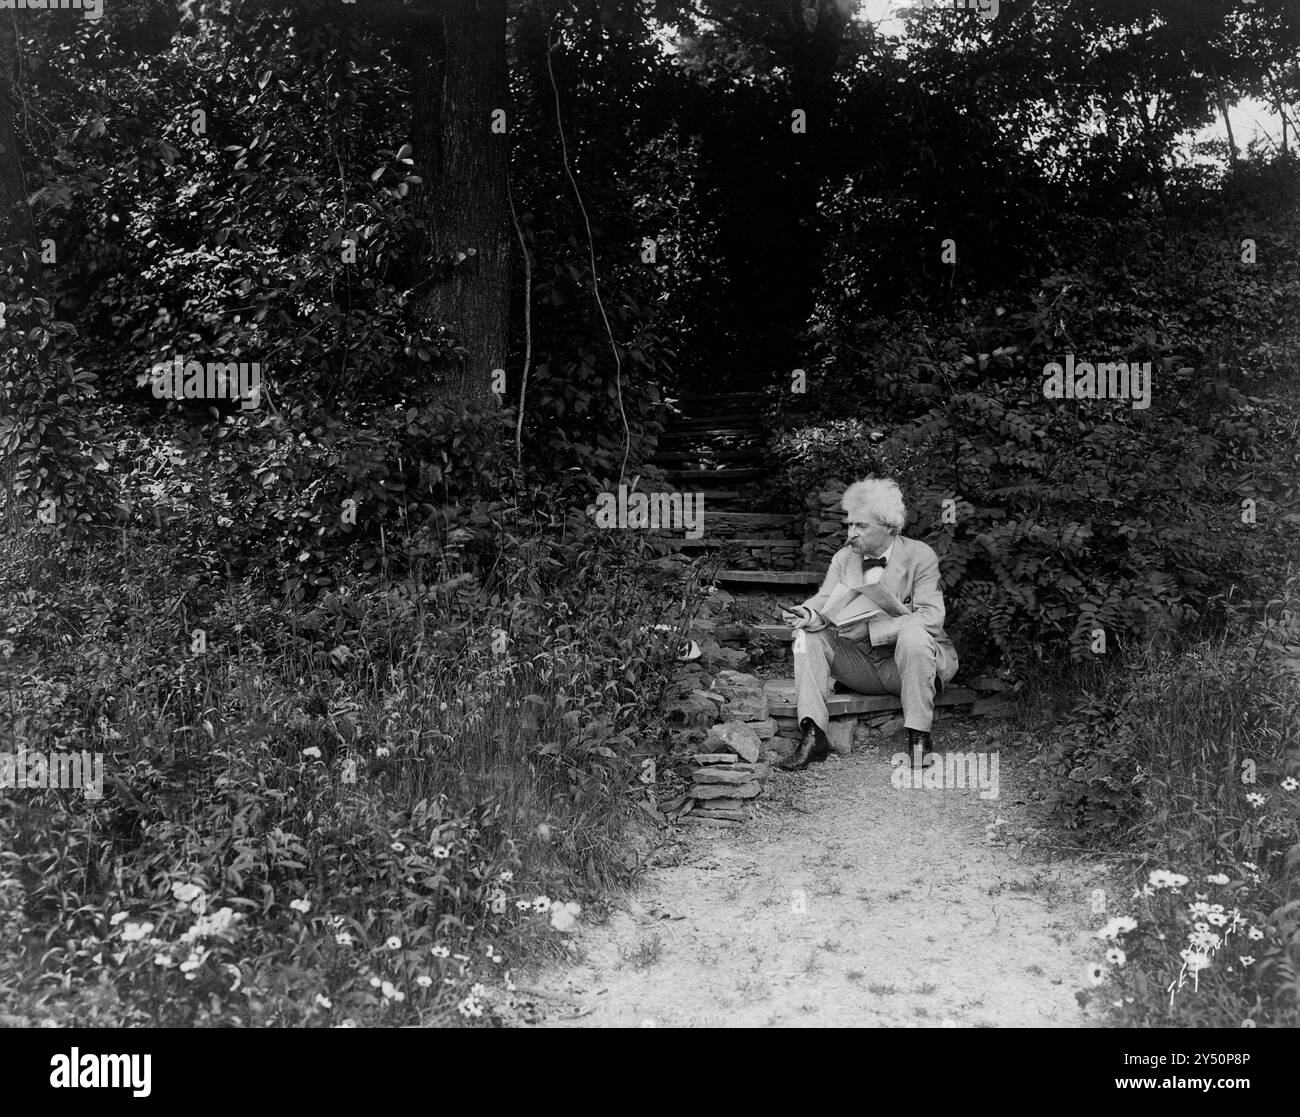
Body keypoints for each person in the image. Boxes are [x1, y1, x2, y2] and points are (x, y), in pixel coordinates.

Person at [779, 478, 959, 770]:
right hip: (862, 666)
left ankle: (918, 737)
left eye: (860, 526)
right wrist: (808, 614)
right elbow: (825, 599)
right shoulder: (844, 557)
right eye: (849, 525)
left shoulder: (920, 555)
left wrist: (872, 631)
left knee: (914, 634)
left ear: (889, 526)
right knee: (805, 636)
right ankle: (813, 735)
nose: (851, 534)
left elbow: (931, 617)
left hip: (910, 668)